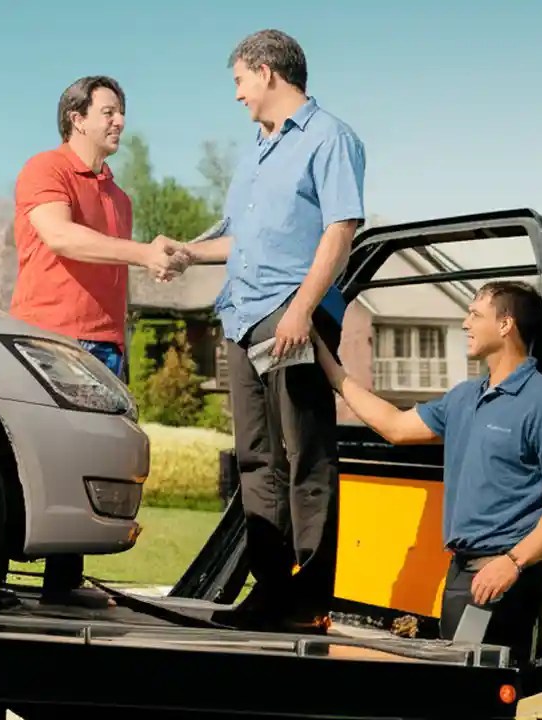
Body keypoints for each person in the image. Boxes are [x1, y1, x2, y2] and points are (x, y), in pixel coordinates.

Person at [174, 29, 367, 626]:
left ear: (266, 72)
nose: (237, 95)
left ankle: (309, 599)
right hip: (242, 316)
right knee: (257, 460)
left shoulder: (330, 139)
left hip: (291, 317)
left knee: (306, 454)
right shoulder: (256, 151)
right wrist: (185, 251)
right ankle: (270, 593)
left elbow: (341, 228)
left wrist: (302, 310)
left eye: (238, 81)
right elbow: (241, 242)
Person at [311, 280, 542, 666]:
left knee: (480, 697)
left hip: (504, 576)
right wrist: (330, 368)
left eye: (476, 314)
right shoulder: (464, 397)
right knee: (456, 691)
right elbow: (394, 425)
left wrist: (512, 562)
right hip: (462, 574)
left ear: (506, 324)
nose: (465, 323)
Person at [10, 75, 188, 605]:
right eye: (109, 111)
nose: (120, 121)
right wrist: (141, 253)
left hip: (106, 346)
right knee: (36, 459)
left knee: (90, 463)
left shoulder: (119, 196)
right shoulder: (46, 169)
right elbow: (62, 235)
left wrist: (157, 264)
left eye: (122, 111)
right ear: (76, 117)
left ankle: (63, 586)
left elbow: (111, 260)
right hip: (53, 339)